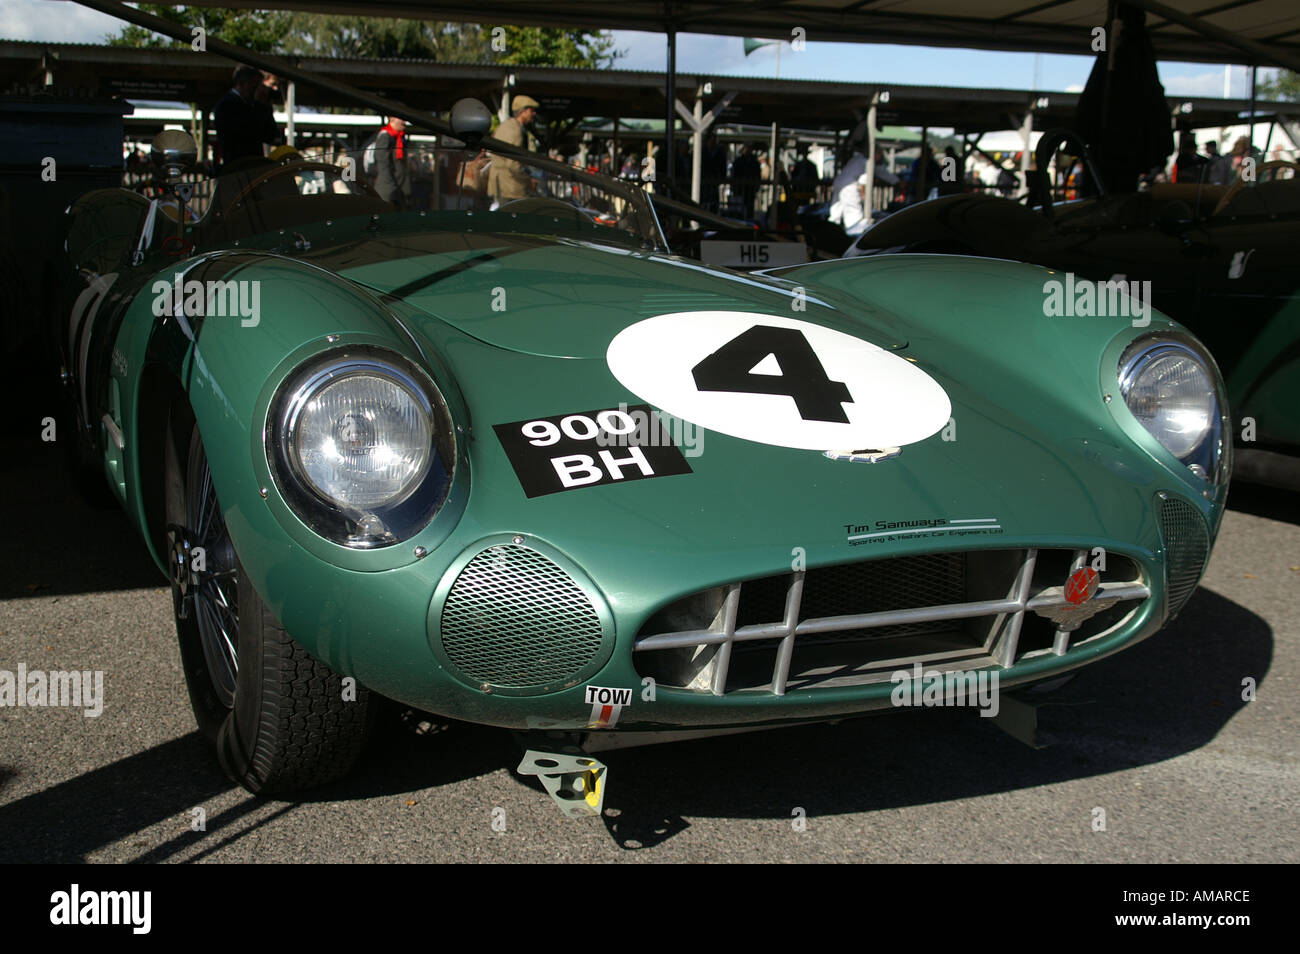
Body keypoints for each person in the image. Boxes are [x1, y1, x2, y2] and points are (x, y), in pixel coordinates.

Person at [213, 65, 272, 170]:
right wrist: (259, 106)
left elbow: (270, 135)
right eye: (254, 87)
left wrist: (263, 104)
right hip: (237, 167)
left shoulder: (252, 106)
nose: (257, 91)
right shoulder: (227, 105)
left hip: (253, 166)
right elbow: (249, 131)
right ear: (241, 84)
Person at [487, 94, 539, 204]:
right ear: (522, 111)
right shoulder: (515, 130)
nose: (533, 113)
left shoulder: (505, 126)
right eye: (531, 110)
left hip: (502, 184)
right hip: (510, 186)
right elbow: (513, 164)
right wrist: (528, 179)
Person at [372, 116, 412, 208]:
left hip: (399, 187)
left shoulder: (399, 137)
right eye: (402, 118)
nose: (404, 122)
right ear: (392, 119)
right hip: (389, 189)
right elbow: (383, 164)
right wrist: (391, 189)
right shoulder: (385, 136)